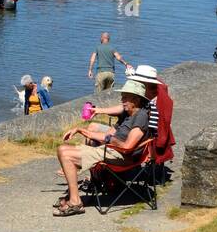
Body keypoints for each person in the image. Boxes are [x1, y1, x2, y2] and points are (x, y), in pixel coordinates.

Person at [53, 80, 152, 216]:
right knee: (62, 149)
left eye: (125, 97)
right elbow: (107, 135)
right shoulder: (127, 115)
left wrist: (108, 139)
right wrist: (80, 130)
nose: (122, 101)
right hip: (112, 150)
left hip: (121, 156)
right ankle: (73, 195)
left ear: (136, 99)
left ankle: (75, 202)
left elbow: (127, 146)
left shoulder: (140, 117)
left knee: (65, 153)